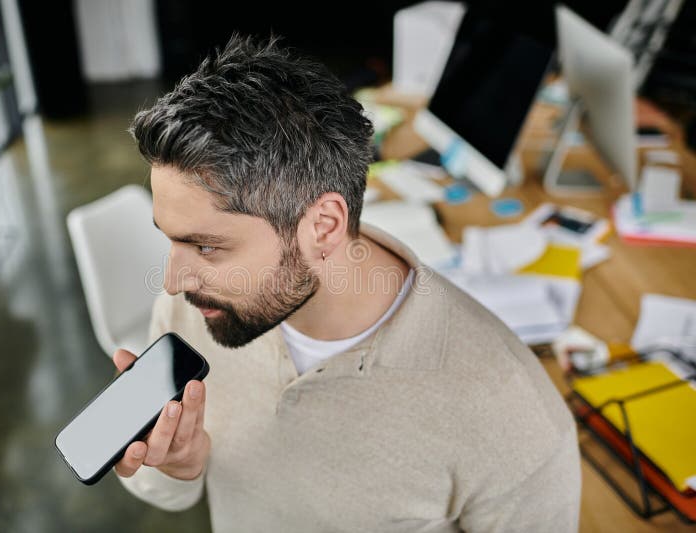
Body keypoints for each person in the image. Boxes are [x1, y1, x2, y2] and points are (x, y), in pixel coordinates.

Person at [114, 35, 581, 532]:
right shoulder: (201, 305)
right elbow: (167, 491)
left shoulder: (518, 423)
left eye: (207, 247)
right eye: (171, 240)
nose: (171, 281)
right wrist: (180, 466)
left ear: (324, 227)